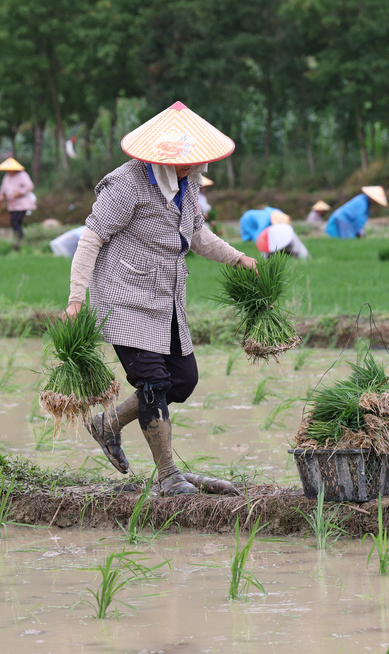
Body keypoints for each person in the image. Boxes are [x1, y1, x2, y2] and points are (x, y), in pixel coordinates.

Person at [65, 101, 252, 497]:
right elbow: (91, 237)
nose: (191, 167)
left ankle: (108, 424)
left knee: (183, 380)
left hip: (164, 297)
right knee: (152, 381)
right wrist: (76, 299)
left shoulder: (190, 183)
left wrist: (236, 258)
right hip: (123, 297)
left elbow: (196, 233)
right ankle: (169, 476)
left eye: (195, 162)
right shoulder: (127, 183)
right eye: (184, 161)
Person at [0, 157, 36, 249]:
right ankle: (18, 240)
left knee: (15, 221)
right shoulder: (7, 176)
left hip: (22, 204)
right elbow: (3, 188)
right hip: (12, 204)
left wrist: (19, 192)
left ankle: (20, 240)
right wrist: (1, 196)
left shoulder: (22, 175)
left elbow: (29, 186)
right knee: (14, 222)